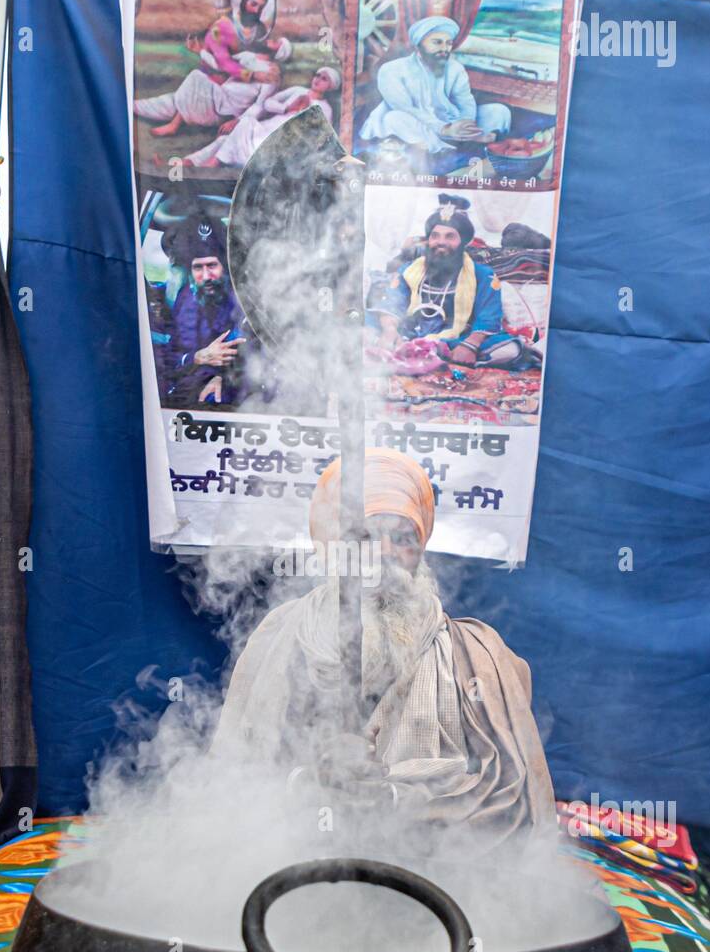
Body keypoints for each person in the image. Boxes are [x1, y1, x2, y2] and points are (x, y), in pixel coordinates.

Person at [212, 449, 555, 840]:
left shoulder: (473, 655)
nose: (387, 551)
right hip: (293, 850)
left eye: (403, 537)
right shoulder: (284, 637)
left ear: (421, 548)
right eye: (368, 536)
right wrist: (305, 784)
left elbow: (506, 791)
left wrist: (394, 798)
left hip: (430, 866)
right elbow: (241, 766)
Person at [369, 195, 527, 368]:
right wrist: (390, 332)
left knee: (510, 349)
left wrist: (470, 345)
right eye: (435, 236)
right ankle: (426, 354)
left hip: (458, 339)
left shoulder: (482, 275)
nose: (441, 242)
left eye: (450, 236)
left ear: (463, 242)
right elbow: (393, 304)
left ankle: (432, 355)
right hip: (409, 335)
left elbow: (489, 317)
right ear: (428, 240)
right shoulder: (408, 270)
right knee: (363, 327)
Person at [134, 0, 292, 138]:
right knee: (163, 104)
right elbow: (223, 63)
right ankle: (132, 107)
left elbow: (260, 103)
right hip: (212, 88)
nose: (257, 10)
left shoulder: (268, 59)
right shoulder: (222, 28)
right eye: (253, 4)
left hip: (222, 102)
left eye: (261, 7)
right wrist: (202, 52)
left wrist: (238, 120)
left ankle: (173, 125)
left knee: (183, 93)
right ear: (243, 2)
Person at [359, 16, 510, 163]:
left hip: (450, 121)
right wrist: (445, 129)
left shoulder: (455, 68)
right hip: (415, 122)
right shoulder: (392, 69)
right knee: (393, 118)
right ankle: (441, 146)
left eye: (448, 43)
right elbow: (405, 109)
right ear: (419, 43)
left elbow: (465, 100)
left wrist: (466, 126)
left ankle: (462, 139)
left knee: (499, 111)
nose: (444, 48)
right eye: (437, 42)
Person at [186, 67, 340, 170]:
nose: (318, 79)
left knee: (245, 124)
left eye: (324, 79)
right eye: (317, 75)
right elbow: (267, 103)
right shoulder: (298, 90)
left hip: (280, 141)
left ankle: (211, 164)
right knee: (224, 140)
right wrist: (286, 108)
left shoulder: (325, 109)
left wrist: (300, 115)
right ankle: (190, 162)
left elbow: (318, 137)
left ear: (330, 86)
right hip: (265, 129)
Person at [162, 222, 246, 406]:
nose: (206, 276)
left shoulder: (242, 300)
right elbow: (169, 357)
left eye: (212, 266)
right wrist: (197, 357)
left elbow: (252, 356)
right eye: (198, 268)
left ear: (224, 266)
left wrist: (223, 378)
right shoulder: (185, 297)